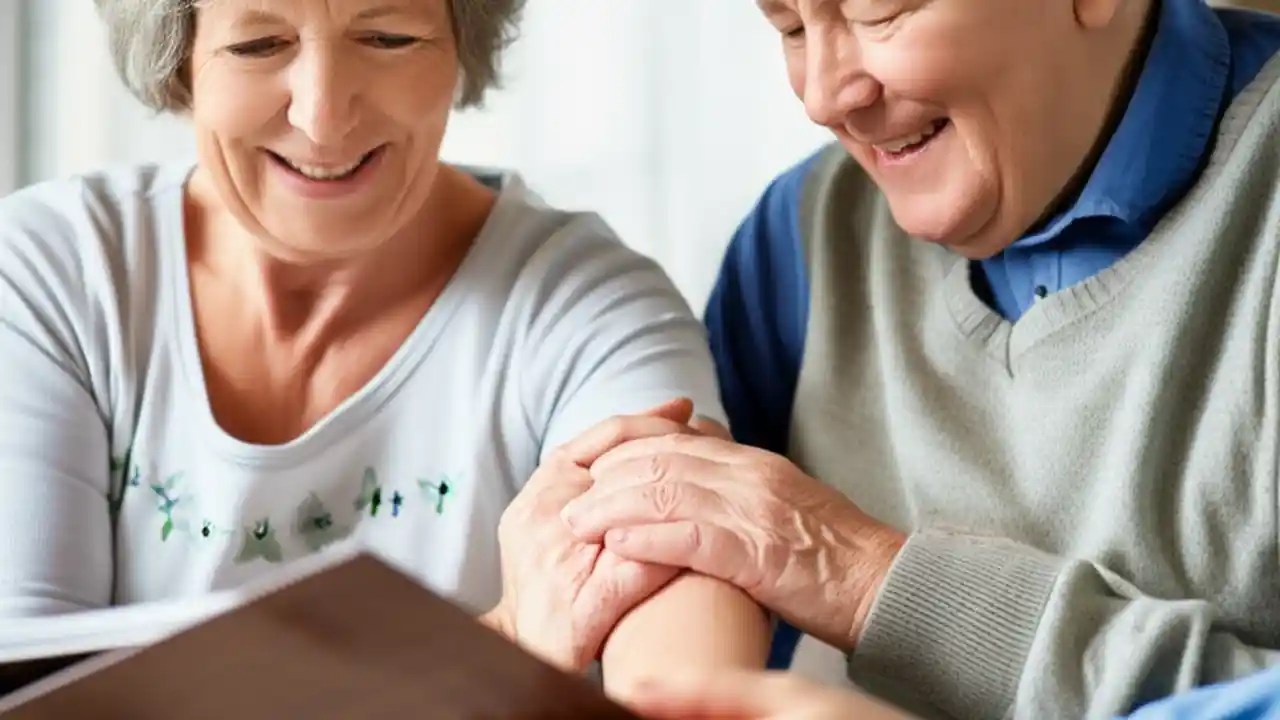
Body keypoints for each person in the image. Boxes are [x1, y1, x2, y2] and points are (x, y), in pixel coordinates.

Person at [0, 0, 768, 695]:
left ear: (460, 43)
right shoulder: (54, 276)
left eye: (388, 36)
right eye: (259, 44)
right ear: (179, 59)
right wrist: (498, 643)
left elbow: (690, 686)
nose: (324, 116)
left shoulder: (588, 307)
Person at [558, 0, 1280, 717]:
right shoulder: (805, 236)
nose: (824, 96)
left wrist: (868, 581)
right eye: (791, 27)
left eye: (880, 13)